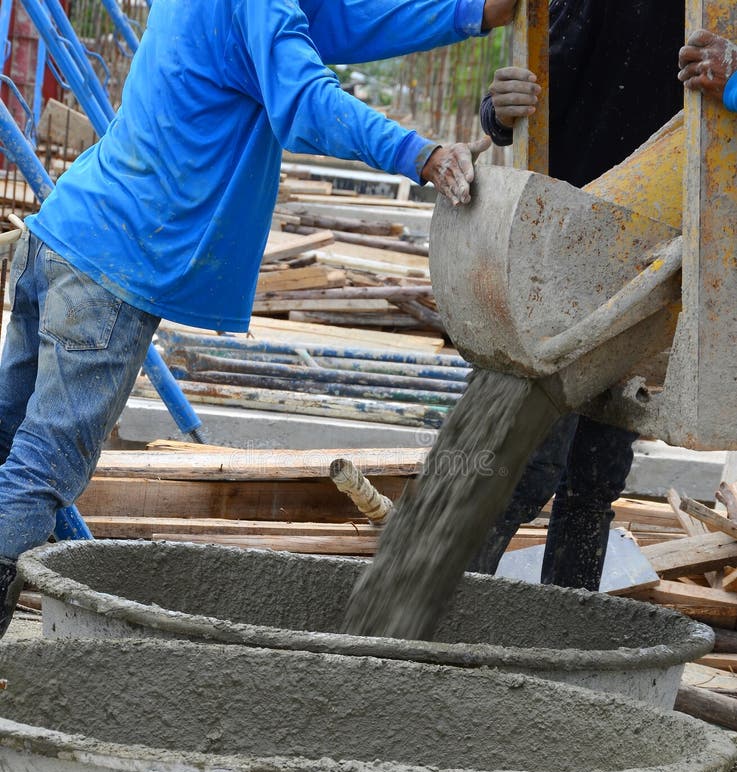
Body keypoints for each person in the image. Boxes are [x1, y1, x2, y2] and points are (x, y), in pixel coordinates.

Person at [0, 0, 520, 638]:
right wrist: (420, 153)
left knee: (7, 447)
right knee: (39, 472)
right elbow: (304, 101)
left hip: (59, 236)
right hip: (112, 269)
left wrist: (471, 15)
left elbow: (339, 25)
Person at [470, 0, 684, 589]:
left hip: (653, 272)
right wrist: (497, 110)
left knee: (595, 478)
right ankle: (436, 632)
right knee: (523, 470)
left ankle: (562, 641)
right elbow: (521, 98)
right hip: (560, 259)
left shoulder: (720, 24)